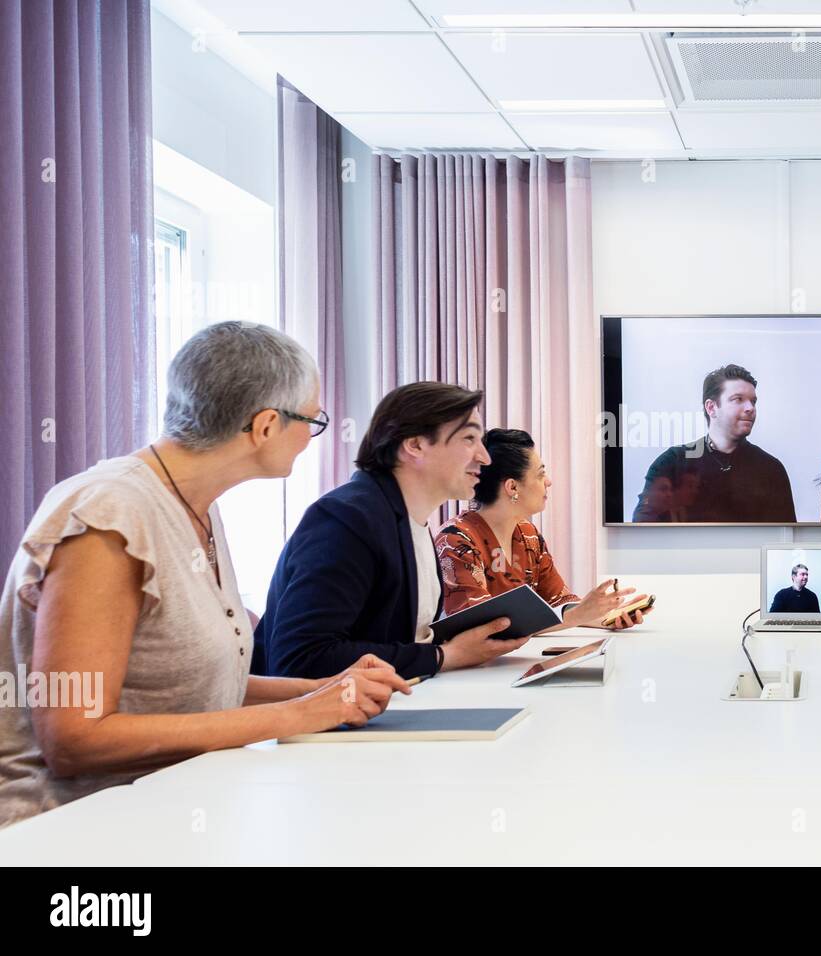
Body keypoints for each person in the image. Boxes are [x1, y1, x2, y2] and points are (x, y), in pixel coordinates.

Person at [0, 322, 408, 829]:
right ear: (264, 426)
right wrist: (298, 714)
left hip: (172, 806)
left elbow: (188, 691)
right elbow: (75, 740)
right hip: (66, 829)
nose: (310, 436)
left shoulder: (196, 508)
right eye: (312, 419)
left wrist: (322, 688)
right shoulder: (108, 514)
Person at [256, 383, 580, 680]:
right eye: (469, 439)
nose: (483, 457)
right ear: (414, 445)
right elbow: (301, 659)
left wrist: (453, 650)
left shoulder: (411, 522)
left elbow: (402, 638)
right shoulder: (347, 519)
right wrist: (442, 656)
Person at [436, 428, 648, 629]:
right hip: (479, 667)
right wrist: (578, 615)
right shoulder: (455, 540)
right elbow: (483, 627)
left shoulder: (528, 534)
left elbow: (558, 602)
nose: (548, 482)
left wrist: (605, 616)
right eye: (540, 475)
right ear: (512, 487)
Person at [633, 364, 796, 523]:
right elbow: (642, 526)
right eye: (738, 399)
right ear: (711, 407)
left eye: (753, 401)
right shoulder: (671, 463)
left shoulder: (770, 469)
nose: (750, 408)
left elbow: (785, 540)